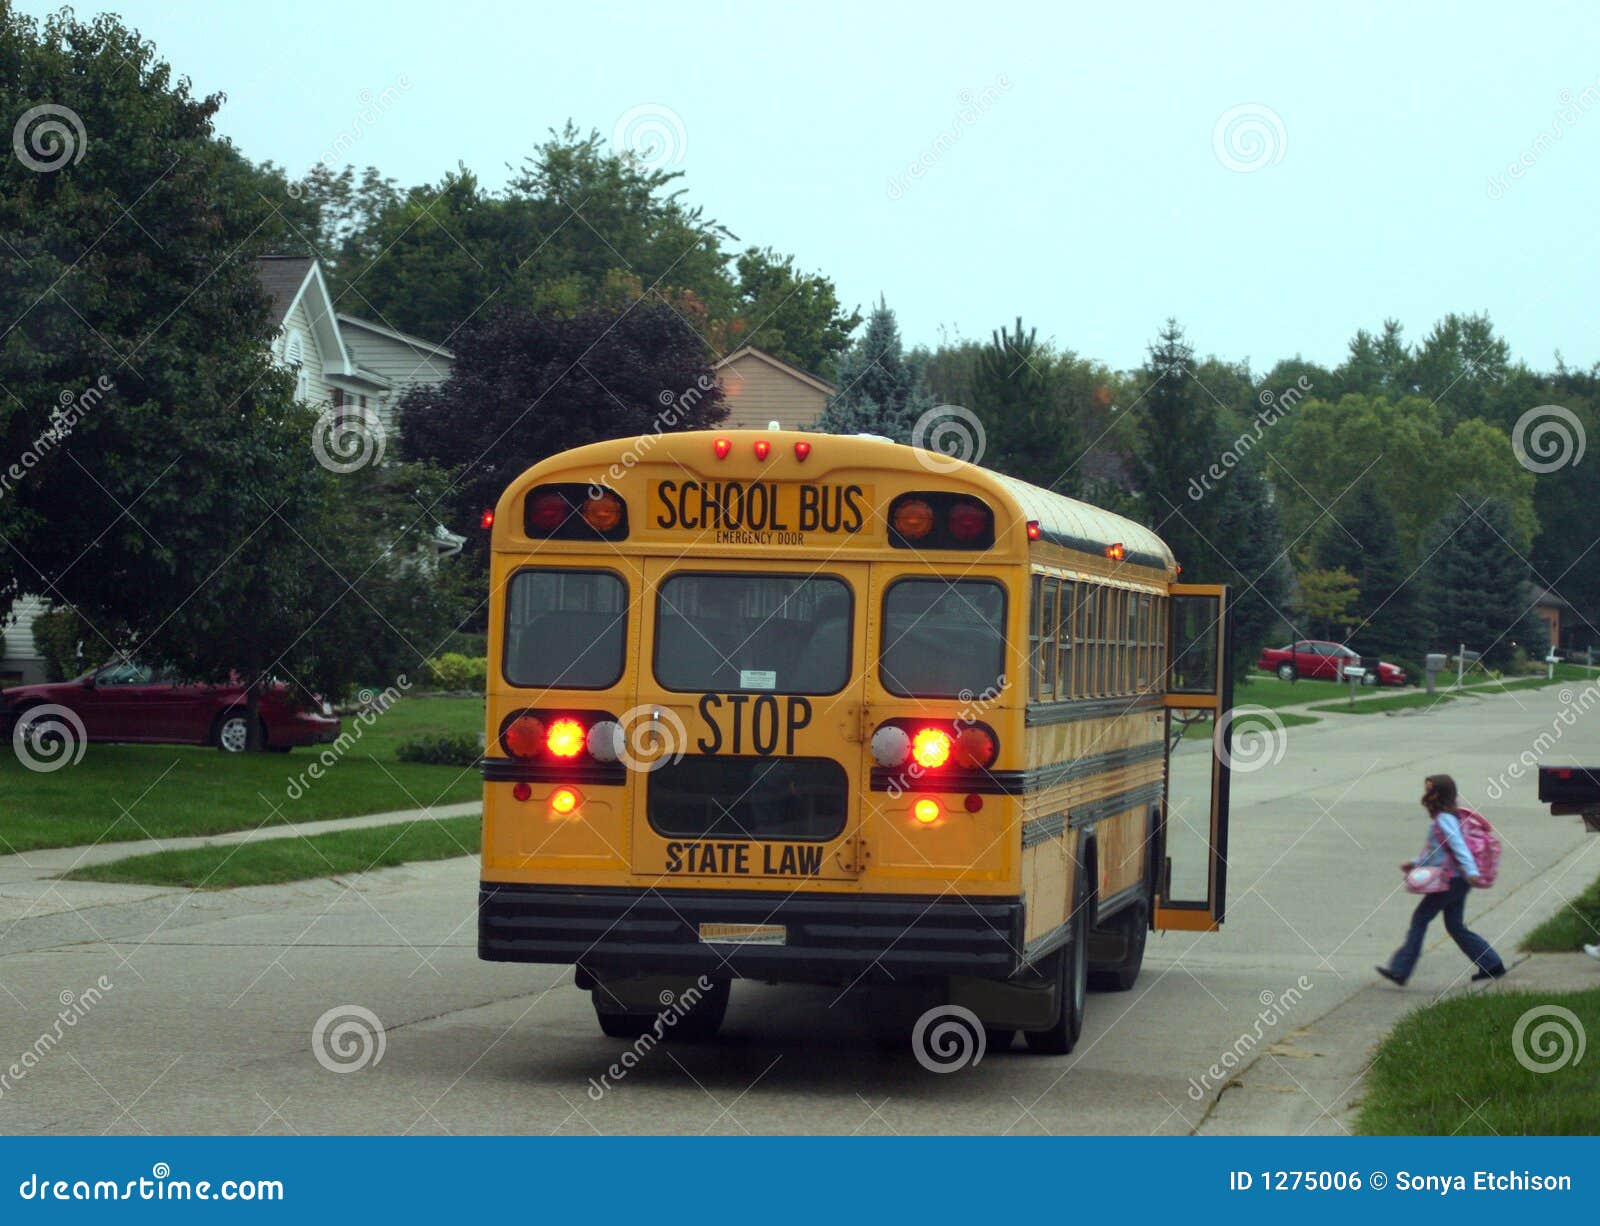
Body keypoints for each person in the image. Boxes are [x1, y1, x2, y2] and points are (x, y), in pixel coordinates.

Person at [1376, 774, 1507, 985]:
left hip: (1451, 881)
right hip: (1458, 879)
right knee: (1455, 926)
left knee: (1420, 918)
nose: (1427, 795)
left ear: (1440, 794)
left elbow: (1458, 846)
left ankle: (1401, 969)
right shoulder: (1449, 817)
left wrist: (1472, 871)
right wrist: (1415, 863)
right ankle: (1492, 964)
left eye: (1430, 790)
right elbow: (1438, 853)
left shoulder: (1445, 819)